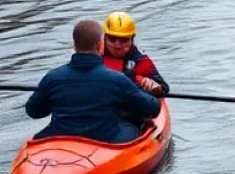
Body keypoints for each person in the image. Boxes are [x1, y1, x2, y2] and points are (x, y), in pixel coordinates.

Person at [24, 19, 162, 144]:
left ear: (74, 46)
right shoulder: (117, 79)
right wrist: (146, 91)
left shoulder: (52, 77)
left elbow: (33, 112)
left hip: (61, 136)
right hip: (105, 139)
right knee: (134, 128)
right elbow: (153, 108)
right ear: (99, 45)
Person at [102, 13, 169, 94]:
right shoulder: (93, 56)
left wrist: (151, 85)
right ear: (104, 38)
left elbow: (164, 88)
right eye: (112, 39)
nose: (117, 45)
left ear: (132, 40)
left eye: (124, 40)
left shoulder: (140, 61)